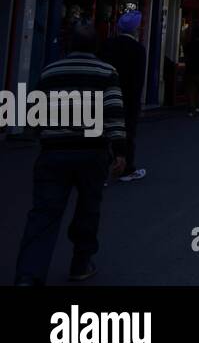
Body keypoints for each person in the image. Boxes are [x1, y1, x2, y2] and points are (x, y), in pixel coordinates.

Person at [13, 20, 127, 285]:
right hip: (91, 152)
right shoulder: (105, 71)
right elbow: (113, 112)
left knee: (44, 213)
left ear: (70, 44)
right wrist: (119, 150)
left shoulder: (51, 70)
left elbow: (34, 112)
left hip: (53, 152)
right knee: (88, 209)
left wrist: (34, 135)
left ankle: (28, 274)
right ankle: (80, 263)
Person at [101, 9, 147, 183]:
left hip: (104, 95)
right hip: (126, 98)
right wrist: (138, 102)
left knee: (102, 134)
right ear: (134, 30)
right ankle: (126, 168)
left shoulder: (107, 45)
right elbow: (138, 80)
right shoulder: (138, 49)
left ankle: (101, 171)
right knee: (126, 134)